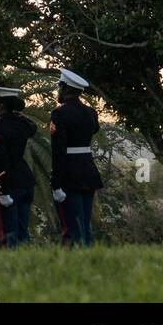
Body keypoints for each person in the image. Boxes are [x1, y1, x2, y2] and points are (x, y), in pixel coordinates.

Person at [49, 68, 103, 247]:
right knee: (85, 225)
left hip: (69, 174)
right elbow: (95, 129)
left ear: (64, 89)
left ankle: (73, 265)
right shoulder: (90, 112)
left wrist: (56, 184)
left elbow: (58, 151)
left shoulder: (59, 114)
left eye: (60, 87)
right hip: (88, 171)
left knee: (71, 228)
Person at [0, 87, 36, 248]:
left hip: (8, 184)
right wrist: (19, 115)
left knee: (6, 236)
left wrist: (3, 191)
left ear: (1, 106)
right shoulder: (23, 124)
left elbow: (0, 159)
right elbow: (33, 127)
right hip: (25, 180)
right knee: (23, 233)